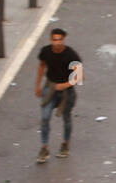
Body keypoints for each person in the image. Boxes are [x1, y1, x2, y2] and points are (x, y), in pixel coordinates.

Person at [34, 28, 81, 164]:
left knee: (66, 118)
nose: (57, 43)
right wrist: (38, 85)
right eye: (54, 40)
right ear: (51, 40)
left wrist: (65, 85)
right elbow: (42, 66)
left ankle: (65, 143)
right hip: (50, 88)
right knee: (45, 117)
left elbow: (79, 76)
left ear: (64, 40)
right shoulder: (46, 52)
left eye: (59, 40)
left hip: (66, 92)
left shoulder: (71, 55)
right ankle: (44, 147)